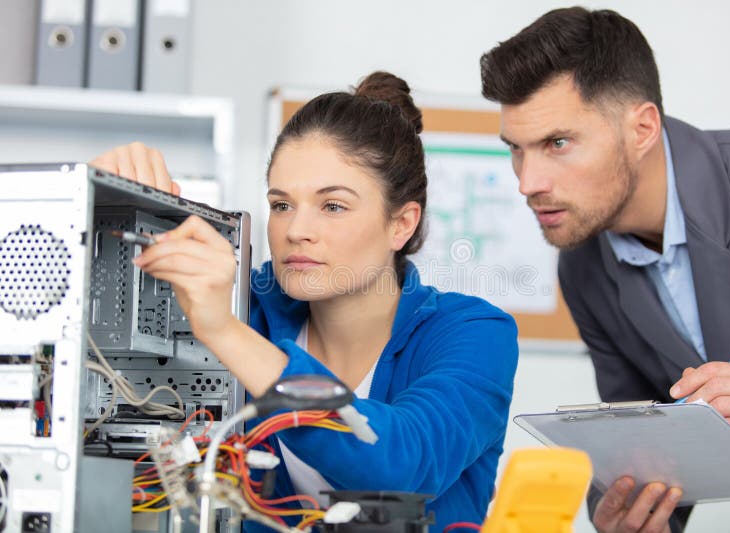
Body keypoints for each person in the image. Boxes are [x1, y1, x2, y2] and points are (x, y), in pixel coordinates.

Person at [90, 72, 518, 531]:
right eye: (281, 205)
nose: (295, 230)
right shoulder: (243, 305)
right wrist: (99, 197)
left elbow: (399, 464)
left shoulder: (473, 332)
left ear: (402, 224)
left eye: (332, 206)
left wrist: (224, 330)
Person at [480, 7, 730, 533]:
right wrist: (631, 513)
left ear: (642, 127)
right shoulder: (583, 267)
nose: (527, 182)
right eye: (516, 150)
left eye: (557, 143)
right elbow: (646, 443)